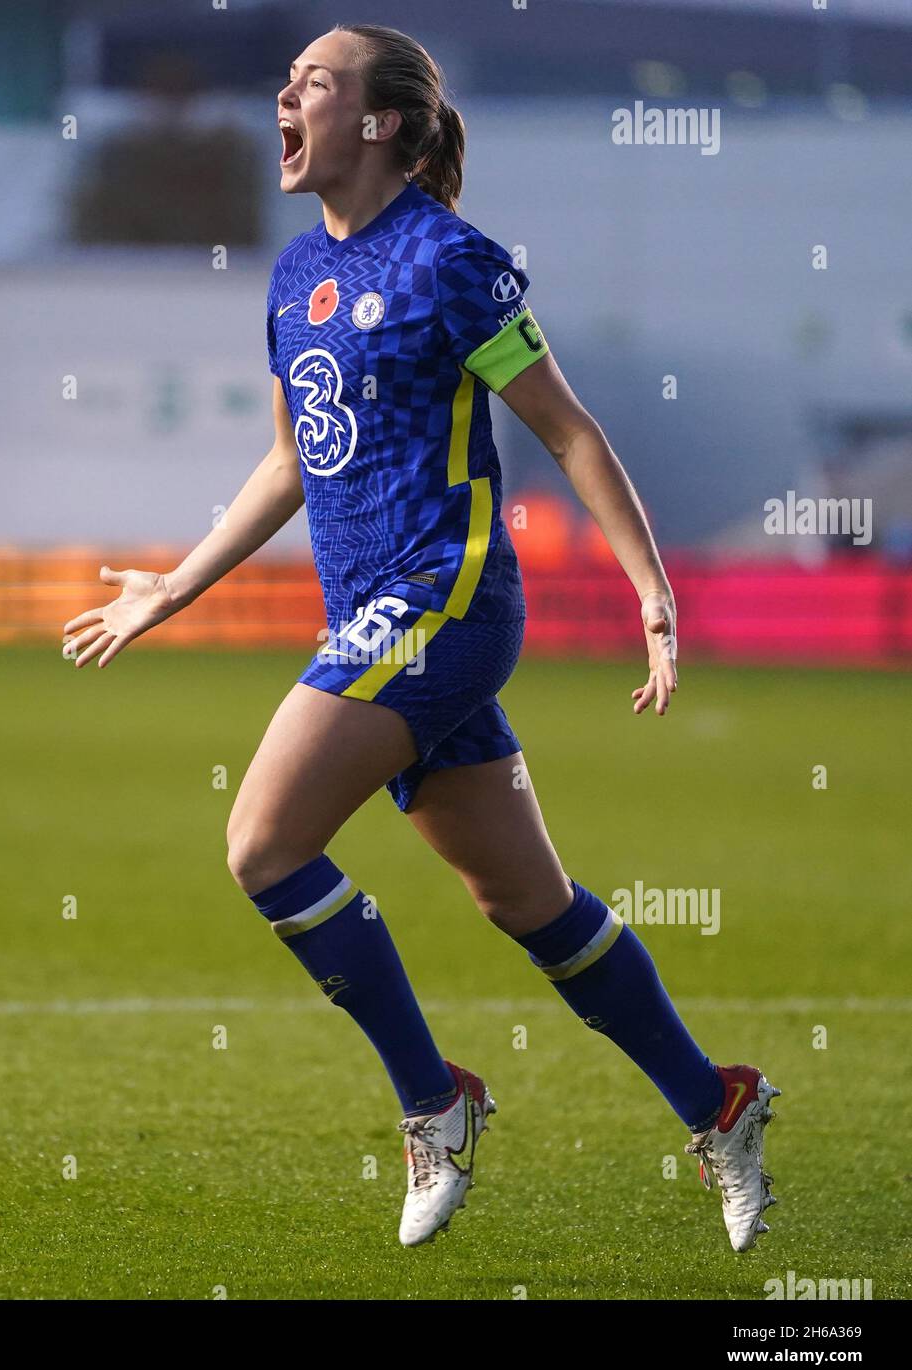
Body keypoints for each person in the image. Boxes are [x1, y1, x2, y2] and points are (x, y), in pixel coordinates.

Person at [62, 24, 780, 1252]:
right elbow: (288, 462)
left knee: (263, 844)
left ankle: (431, 1099)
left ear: (379, 122)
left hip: (443, 598)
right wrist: (172, 587)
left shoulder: (450, 262)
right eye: (287, 81)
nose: (284, 95)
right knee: (527, 902)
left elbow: (568, 430)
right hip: (371, 617)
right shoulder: (296, 274)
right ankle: (717, 1102)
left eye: (313, 82)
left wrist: (650, 590)